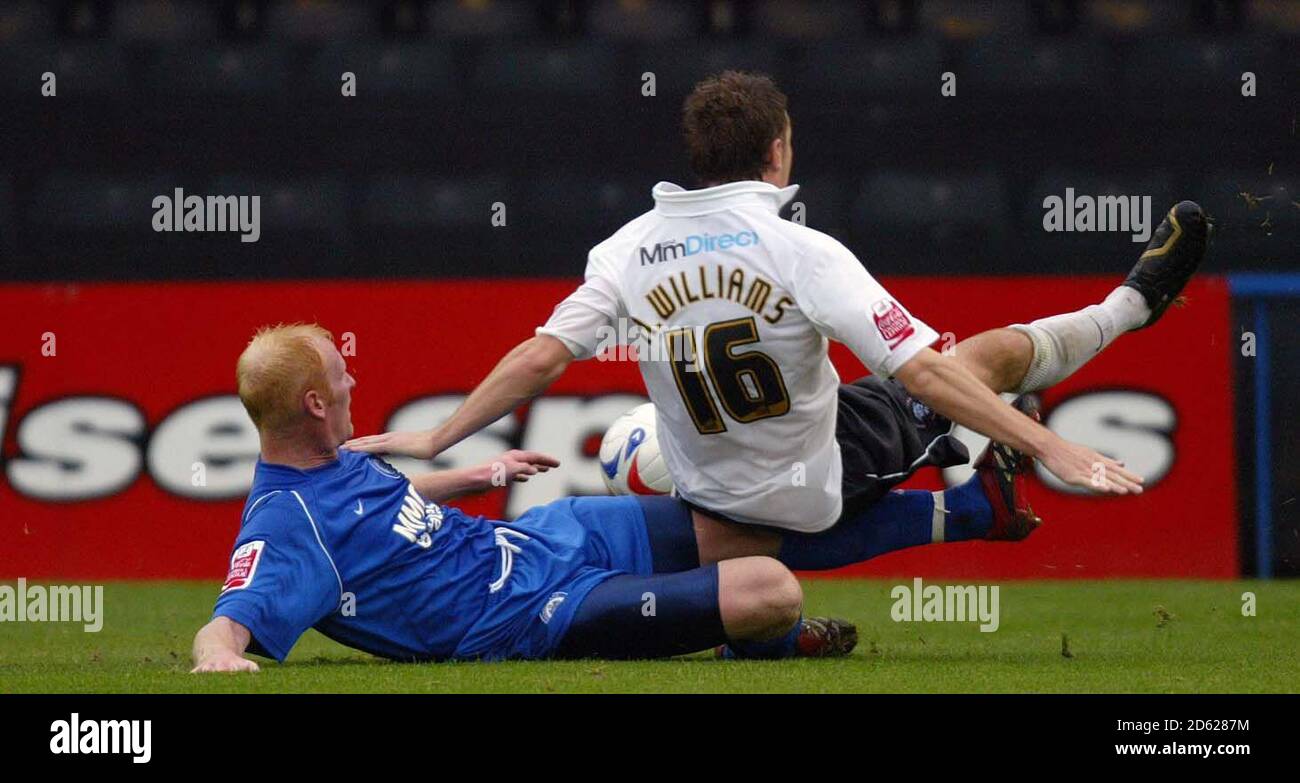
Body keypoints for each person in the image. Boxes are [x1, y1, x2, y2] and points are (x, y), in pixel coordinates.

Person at [346, 71, 1208, 567]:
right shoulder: (802, 250)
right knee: (976, 358)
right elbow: (922, 369)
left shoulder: (623, 249)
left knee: (618, 447)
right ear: (776, 152)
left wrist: (439, 436)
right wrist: (1051, 444)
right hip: (808, 477)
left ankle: (765, 578)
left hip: (699, 484)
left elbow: (540, 356)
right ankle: (1127, 306)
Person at [191, 323, 863, 672]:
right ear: (314, 402)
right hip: (535, 613)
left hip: (550, 534)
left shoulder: (335, 460)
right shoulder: (286, 520)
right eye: (341, 374)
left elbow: (388, 507)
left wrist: (482, 473)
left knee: (759, 525)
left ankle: (967, 514)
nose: (352, 378)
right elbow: (232, 612)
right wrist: (216, 652)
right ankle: (751, 640)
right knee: (773, 590)